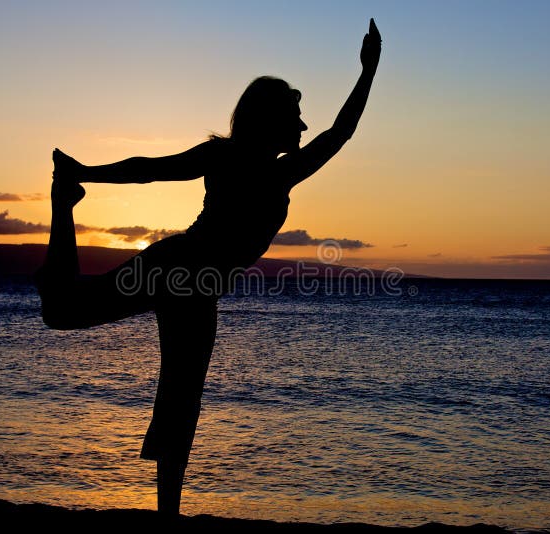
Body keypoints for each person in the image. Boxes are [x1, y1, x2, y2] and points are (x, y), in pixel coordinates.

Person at [35, 19, 381, 515]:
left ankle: (168, 514)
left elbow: (339, 132)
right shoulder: (237, 159)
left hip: (190, 282)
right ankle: (64, 201)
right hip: (180, 272)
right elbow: (152, 169)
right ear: (270, 118)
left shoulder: (281, 170)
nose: (304, 128)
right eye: (296, 117)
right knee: (84, 327)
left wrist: (367, 71)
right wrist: (87, 171)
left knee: (170, 386)